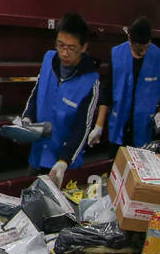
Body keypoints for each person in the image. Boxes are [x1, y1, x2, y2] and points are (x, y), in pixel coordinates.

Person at [21, 12, 110, 187]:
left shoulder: (90, 82)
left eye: (71, 48)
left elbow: (82, 129)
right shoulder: (48, 60)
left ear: (84, 48)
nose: (64, 53)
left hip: (63, 161)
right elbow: (36, 94)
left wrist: (64, 161)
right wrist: (27, 118)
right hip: (38, 154)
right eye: (60, 45)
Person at [107, 16, 160, 148]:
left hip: (143, 123)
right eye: (140, 49)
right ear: (130, 39)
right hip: (120, 122)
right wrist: (99, 125)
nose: (144, 52)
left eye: (146, 47)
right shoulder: (117, 54)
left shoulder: (156, 55)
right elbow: (107, 91)